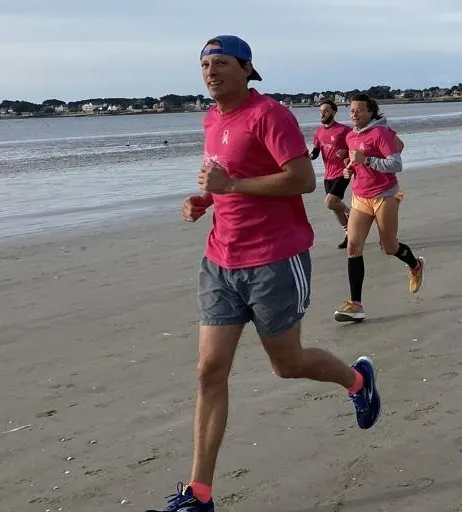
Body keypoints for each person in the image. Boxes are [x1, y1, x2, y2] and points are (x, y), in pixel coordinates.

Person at [153, 36, 380, 512]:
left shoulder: (269, 115)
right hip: (221, 259)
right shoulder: (212, 119)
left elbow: (302, 179)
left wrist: (230, 184)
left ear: (246, 69)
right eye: (204, 65)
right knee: (209, 372)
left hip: (275, 258)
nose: (210, 72)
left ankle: (357, 381)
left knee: (287, 363)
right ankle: (200, 495)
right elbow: (224, 178)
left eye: (220, 64)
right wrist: (207, 200)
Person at [334, 95, 425, 323]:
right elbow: (355, 163)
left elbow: (396, 164)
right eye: (352, 110)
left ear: (370, 112)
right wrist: (350, 170)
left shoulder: (381, 134)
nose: (354, 115)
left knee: (389, 246)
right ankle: (356, 305)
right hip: (360, 197)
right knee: (353, 246)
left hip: (385, 195)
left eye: (359, 111)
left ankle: (415, 265)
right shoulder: (350, 136)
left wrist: (367, 161)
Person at [310, 100, 351, 249]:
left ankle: (352, 213)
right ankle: (349, 235)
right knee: (335, 207)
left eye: (326, 111)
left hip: (343, 172)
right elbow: (315, 153)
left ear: (333, 112)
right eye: (321, 111)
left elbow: (355, 147)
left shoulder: (344, 130)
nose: (322, 114)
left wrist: (346, 152)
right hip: (328, 175)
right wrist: (305, 156)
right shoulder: (319, 132)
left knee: (330, 202)